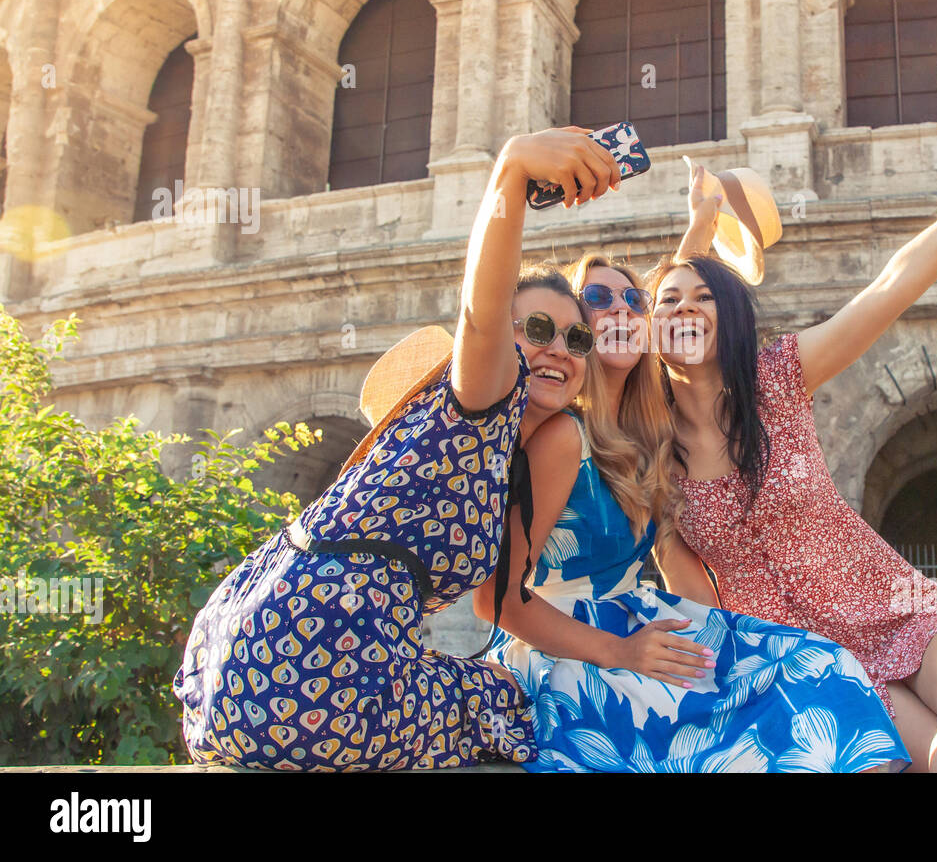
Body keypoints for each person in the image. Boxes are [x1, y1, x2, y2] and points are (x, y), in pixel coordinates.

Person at [171, 125, 623, 770]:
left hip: (231, 687)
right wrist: (510, 175)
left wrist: (621, 650)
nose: (559, 349)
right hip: (304, 688)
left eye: (578, 341)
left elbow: (506, 600)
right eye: (539, 329)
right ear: (500, 342)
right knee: (524, 709)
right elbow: (480, 310)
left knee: (499, 695)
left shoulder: (495, 451)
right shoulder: (476, 404)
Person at [652, 106, 937, 772]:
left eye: (702, 299)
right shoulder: (649, 453)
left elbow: (893, 283)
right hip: (810, 663)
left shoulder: (778, 380)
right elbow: (692, 597)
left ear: (729, 317)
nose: (683, 310)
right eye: (666, 303)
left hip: (889, 603)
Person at [473, 252, 911, 772]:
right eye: (597, 298)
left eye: (634, 299)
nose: (621, 309)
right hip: (568, 653)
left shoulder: (644, 436)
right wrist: (621, 652)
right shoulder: (565, 435)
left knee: (824, 668)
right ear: (574, 327)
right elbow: (495, 601)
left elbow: (676, 564)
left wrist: (727, 648)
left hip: (634, 631)